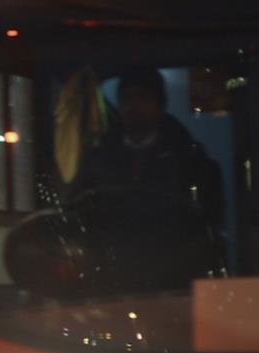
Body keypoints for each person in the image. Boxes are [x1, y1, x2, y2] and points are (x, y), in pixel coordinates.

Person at [73, 67, 226, 289]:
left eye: (142, 97)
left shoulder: (189, 157)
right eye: (126, 98)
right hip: (109, 281)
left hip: (174, 279)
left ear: (161, 104)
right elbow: (78, 212)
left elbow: (208, 221)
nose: (133, 106)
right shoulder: (98, 158)